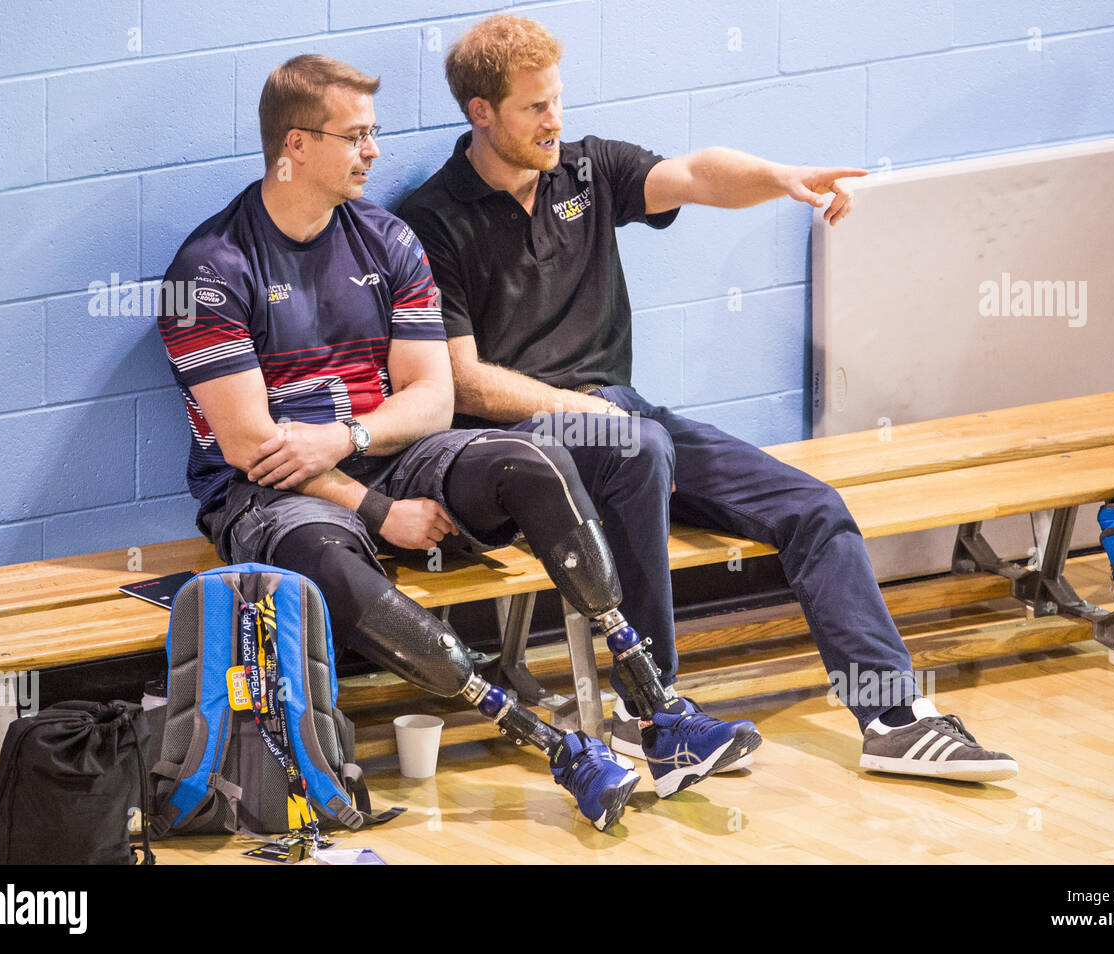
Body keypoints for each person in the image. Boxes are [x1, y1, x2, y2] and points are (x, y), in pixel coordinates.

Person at [396, 14, 1017, 782]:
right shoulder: (430, 221)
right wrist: (576, 410)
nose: (555, 121)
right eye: (534, 108)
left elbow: (695, 174)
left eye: (557, 101)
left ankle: (892, 716)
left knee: (810, 507)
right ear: (481, 112)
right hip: (523, 447)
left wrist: (781, 179)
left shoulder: (584, 172)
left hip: (625, 417)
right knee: (639, 444)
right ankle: (649, 715)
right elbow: (462, 380)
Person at [155, 55, 760, 832]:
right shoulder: (211, 269)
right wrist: (378, 510)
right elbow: (254, 450)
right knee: (323, 563)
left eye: (374, 134)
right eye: (357, 137)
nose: (374, 151)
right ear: (295, 146)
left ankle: (656, 707)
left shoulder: (388, 240)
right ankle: (554, 745)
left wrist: (354, 435)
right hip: (273, 497)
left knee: (532, 461)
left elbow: (434, 398)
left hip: (387, 453)